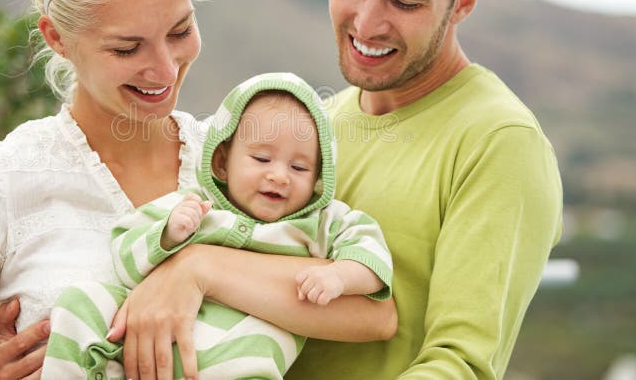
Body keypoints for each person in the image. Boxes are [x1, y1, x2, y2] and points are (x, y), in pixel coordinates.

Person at [0, 0, 395, 380]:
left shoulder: (239, 160)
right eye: (127, 48)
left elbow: (372, 314)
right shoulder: (4, 178)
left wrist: (196, 268)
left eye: (179, 30)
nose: (165, 68)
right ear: (57, 37)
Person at [286, 0, 564, 378]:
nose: (367, 23)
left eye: (403, 1)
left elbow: (459, 365)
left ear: (463, 1)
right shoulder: (313, 123)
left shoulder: (500, 141)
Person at [40, 73, 393, 379]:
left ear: (319, 179)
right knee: (79, 301)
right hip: (144, 342)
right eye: (261, 158)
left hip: (239, 358)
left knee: (255, 354)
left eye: (300, 168)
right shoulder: (194, 204)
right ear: (222, 162)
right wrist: (168, 235)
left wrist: (341, 275)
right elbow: (124, 251)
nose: (279, 176)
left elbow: (372, 258)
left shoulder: (323, 221)